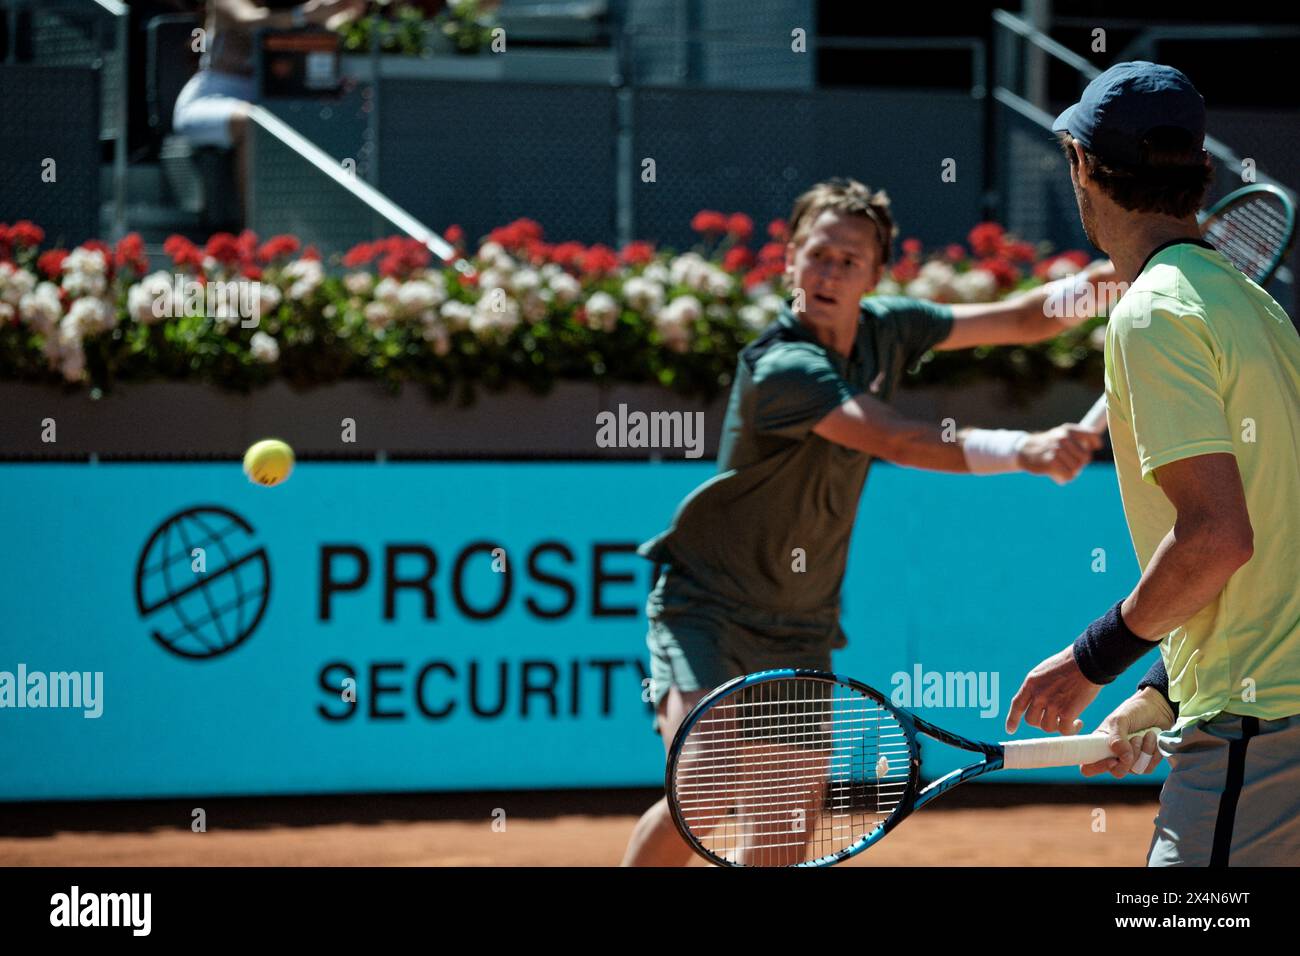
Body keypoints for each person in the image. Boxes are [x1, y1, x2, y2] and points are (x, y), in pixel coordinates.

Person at [621, 176, 1111, 866]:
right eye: (817, 255)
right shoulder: (782, 365)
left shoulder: (889, 329)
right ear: (790, 260)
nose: (828, 273)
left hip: (801, 623)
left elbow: (1022, 319)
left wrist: (1112, 279)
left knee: (784, 833)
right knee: (702, 791)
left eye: (849, 262)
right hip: (706, 607)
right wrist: (1023, 450)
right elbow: (897, 439)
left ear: (876, 275)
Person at [1006, 62, 1300, 866]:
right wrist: (1160, 694)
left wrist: (1090, 660)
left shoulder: (1151, 315)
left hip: (1261, 723)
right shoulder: (1257, 309)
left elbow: (1218, 538)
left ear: (1081, 167)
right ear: (1197, 172)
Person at [172, 0, 365, 220]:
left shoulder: (291, 11)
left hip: (268, 111)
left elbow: (337, 21)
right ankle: (253, 230)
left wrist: (345, 7)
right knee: (255, 121)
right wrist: (304, 15)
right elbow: (249, 20)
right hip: (206, 103)